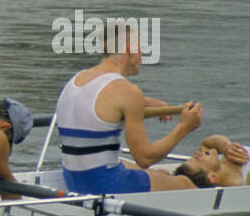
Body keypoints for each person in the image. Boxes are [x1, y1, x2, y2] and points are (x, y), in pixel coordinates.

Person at [54, 37, 202, 194]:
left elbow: (102, 109)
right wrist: (184, 127)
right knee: (184, 183)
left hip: (72, 179)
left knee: (161, 174)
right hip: (106, 186)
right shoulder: (128, 91)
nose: (142, 57)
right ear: (130, 49)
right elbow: (145, 158)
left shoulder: (76, 80)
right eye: (140, 49)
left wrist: (149, 102)